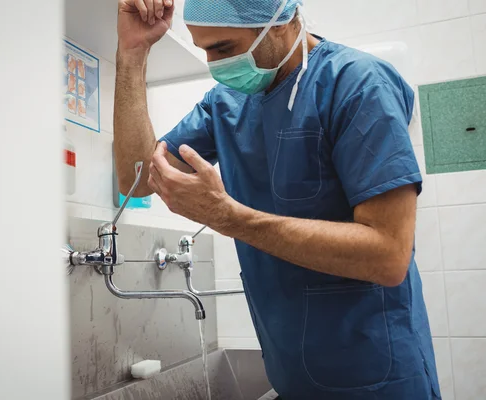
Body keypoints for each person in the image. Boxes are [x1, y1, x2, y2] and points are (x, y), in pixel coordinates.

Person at [113, 0, 441, 398]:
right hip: (292, 376)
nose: (214, 64)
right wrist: (132, 54)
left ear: (281, 22)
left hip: (377, 377)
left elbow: (389, 256)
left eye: (223, 48)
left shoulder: (356, 84)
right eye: (205, 50)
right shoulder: (225, 104)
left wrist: (228, 217)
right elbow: (137, 179)